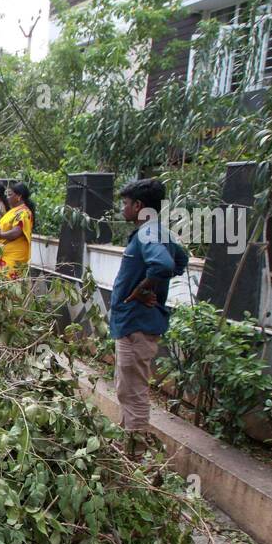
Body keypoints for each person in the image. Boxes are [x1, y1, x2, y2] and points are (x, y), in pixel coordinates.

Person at [111, 177, 191, 456]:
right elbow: (181, 261)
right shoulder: (157, 232)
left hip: (137, 324)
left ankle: (133, 454)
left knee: (133, 391)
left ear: (138, 205)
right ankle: (126, 443)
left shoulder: (149, 234)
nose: (123, 208)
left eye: (125, 203)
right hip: (132, 323)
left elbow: (166, 264)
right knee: (126, 388)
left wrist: (142, 291)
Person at [0, 181, 33, 278]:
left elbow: (15, 232)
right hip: (3, 252)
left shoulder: (24, 213)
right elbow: (5, 227)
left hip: (14, 255)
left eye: (10, 194)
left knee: (7, 284)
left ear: (19, 196)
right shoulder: (13, 211)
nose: (7, 197)